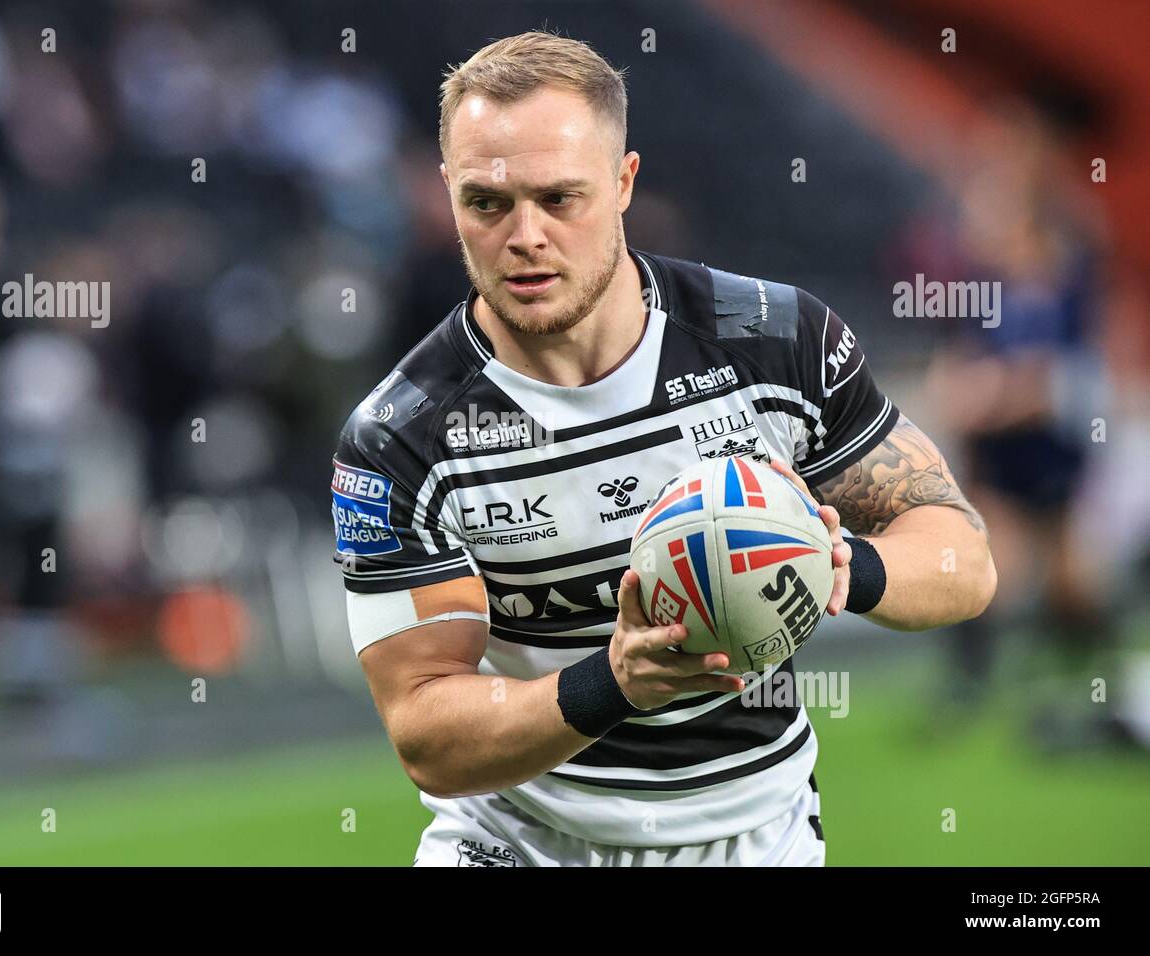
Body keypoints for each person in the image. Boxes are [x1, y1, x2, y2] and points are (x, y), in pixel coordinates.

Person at [330, 31, 995, 867]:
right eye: (487, 203)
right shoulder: (401, 437)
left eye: (560, 199)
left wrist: (841, 568)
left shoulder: (772, 342)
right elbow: (428, 734)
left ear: (623, 182)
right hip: (518, 845)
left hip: (753, 837)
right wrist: (615, 685)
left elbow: (963, 561)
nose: (524, 236)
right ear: (447, 196)